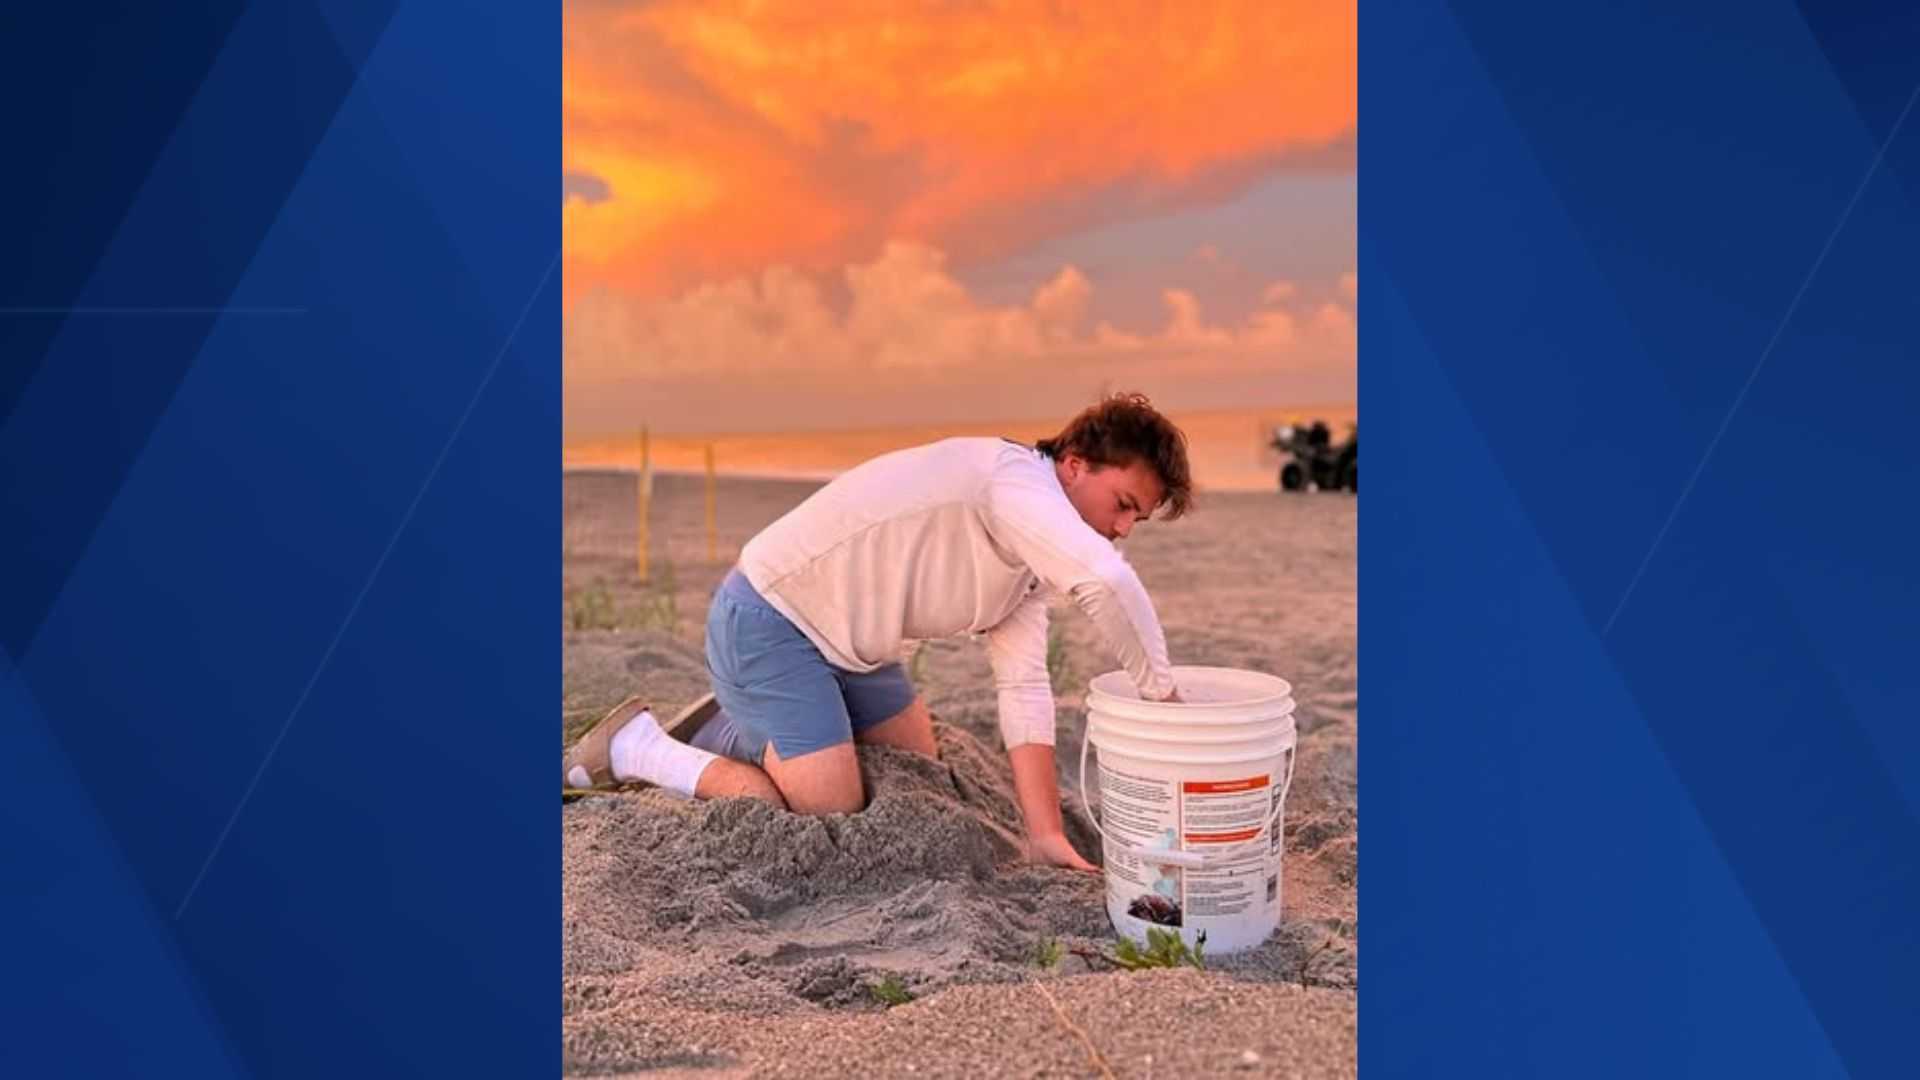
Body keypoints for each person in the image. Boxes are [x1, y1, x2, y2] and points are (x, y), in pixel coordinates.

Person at [563, 392, 1192, 871]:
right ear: (1075, 466)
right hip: (770, 620)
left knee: (912, 767)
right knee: (821, 808)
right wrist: (1162, 696)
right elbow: (1108, 583)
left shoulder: (1029, 567)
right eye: (1125, 504)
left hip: (856, 652)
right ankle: (642, 746)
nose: (1124, 528)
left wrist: (1046, 834)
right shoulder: (1013, 483)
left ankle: (756, 724)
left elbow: (1025, 689)